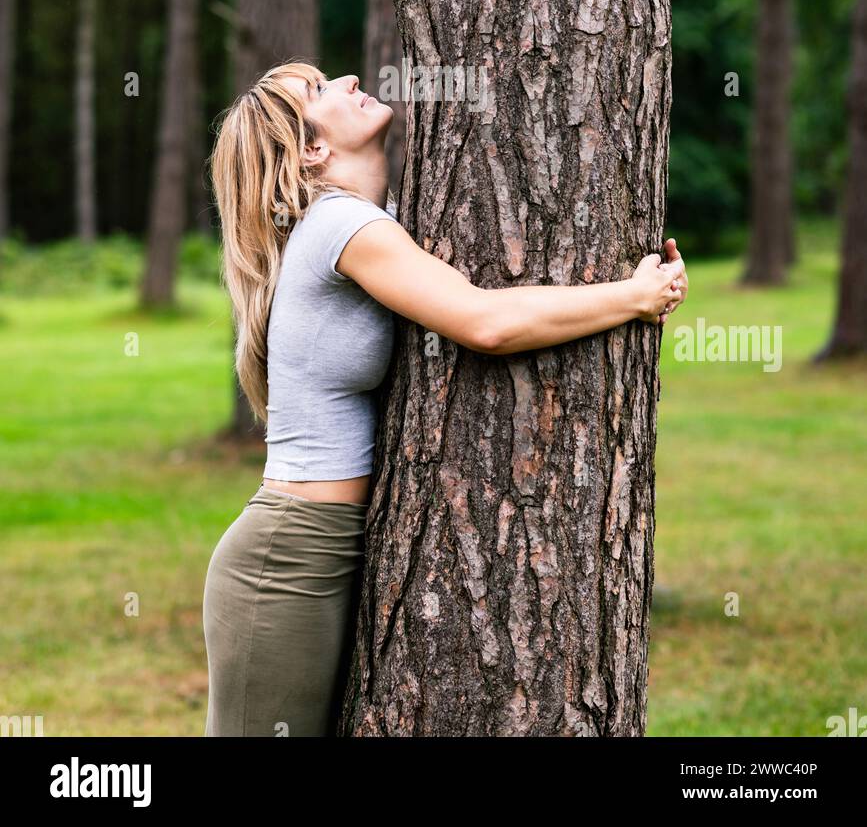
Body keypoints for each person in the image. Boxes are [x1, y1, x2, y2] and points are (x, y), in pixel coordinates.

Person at [202, 60, 688, 736]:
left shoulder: (374, 222)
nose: (346, 79)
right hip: (289, 559)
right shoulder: (341, 223)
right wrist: (632, 297)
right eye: (319, 90)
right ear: (312, 149)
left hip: (325, 546)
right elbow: (484, 322)